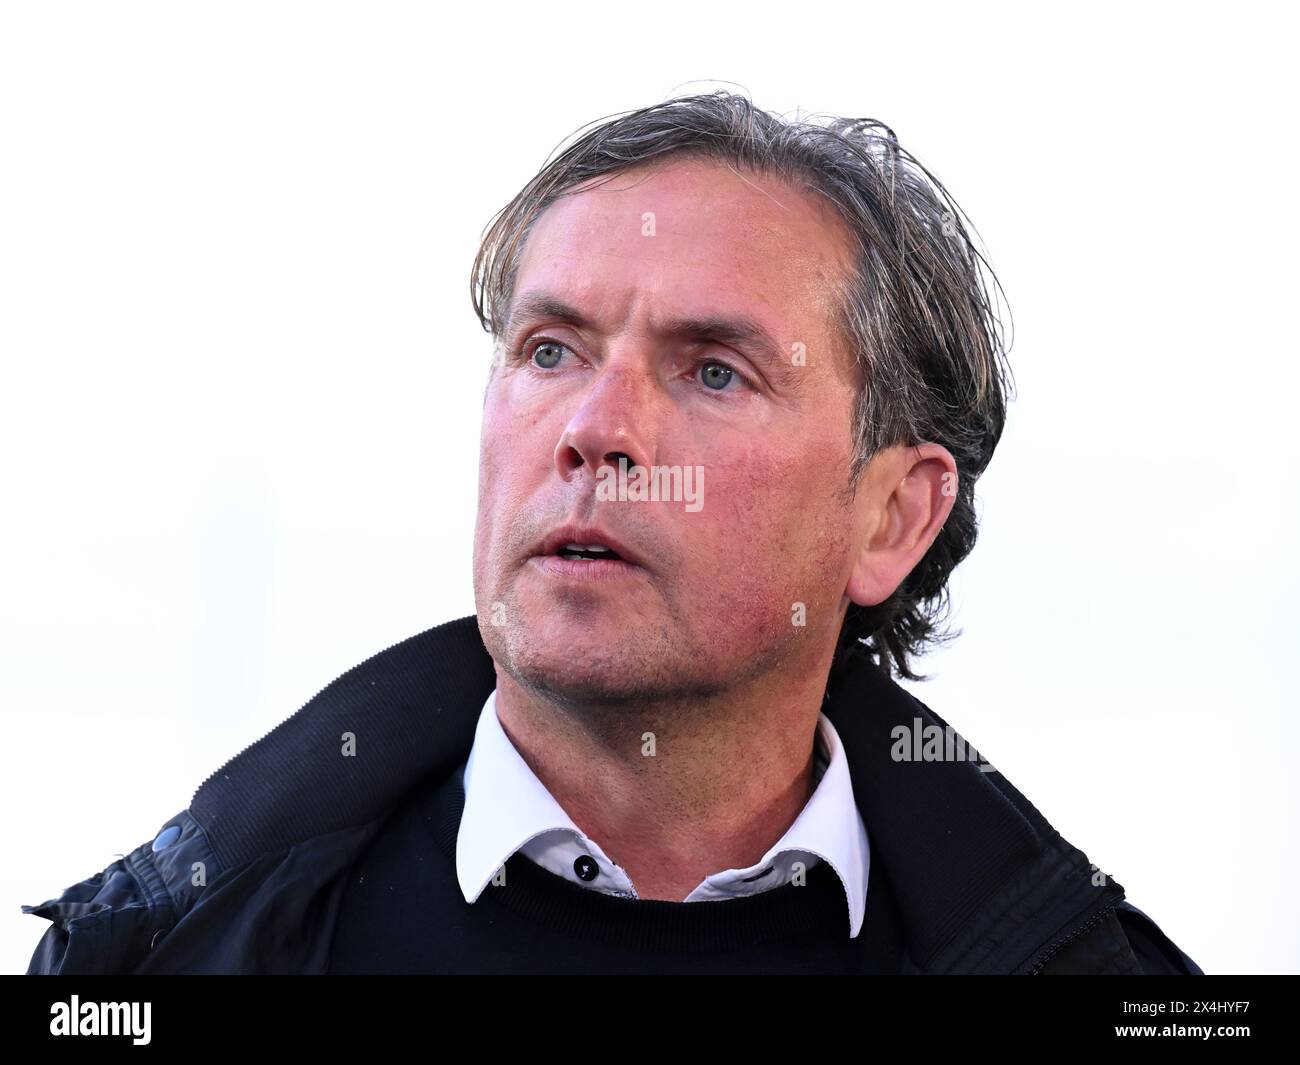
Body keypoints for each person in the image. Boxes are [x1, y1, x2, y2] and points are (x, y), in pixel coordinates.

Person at [22, 92, 1202, 975]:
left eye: (713, 372)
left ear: (890, 516)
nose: (593, 431)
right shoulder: (159, 958)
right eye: (550, 352)